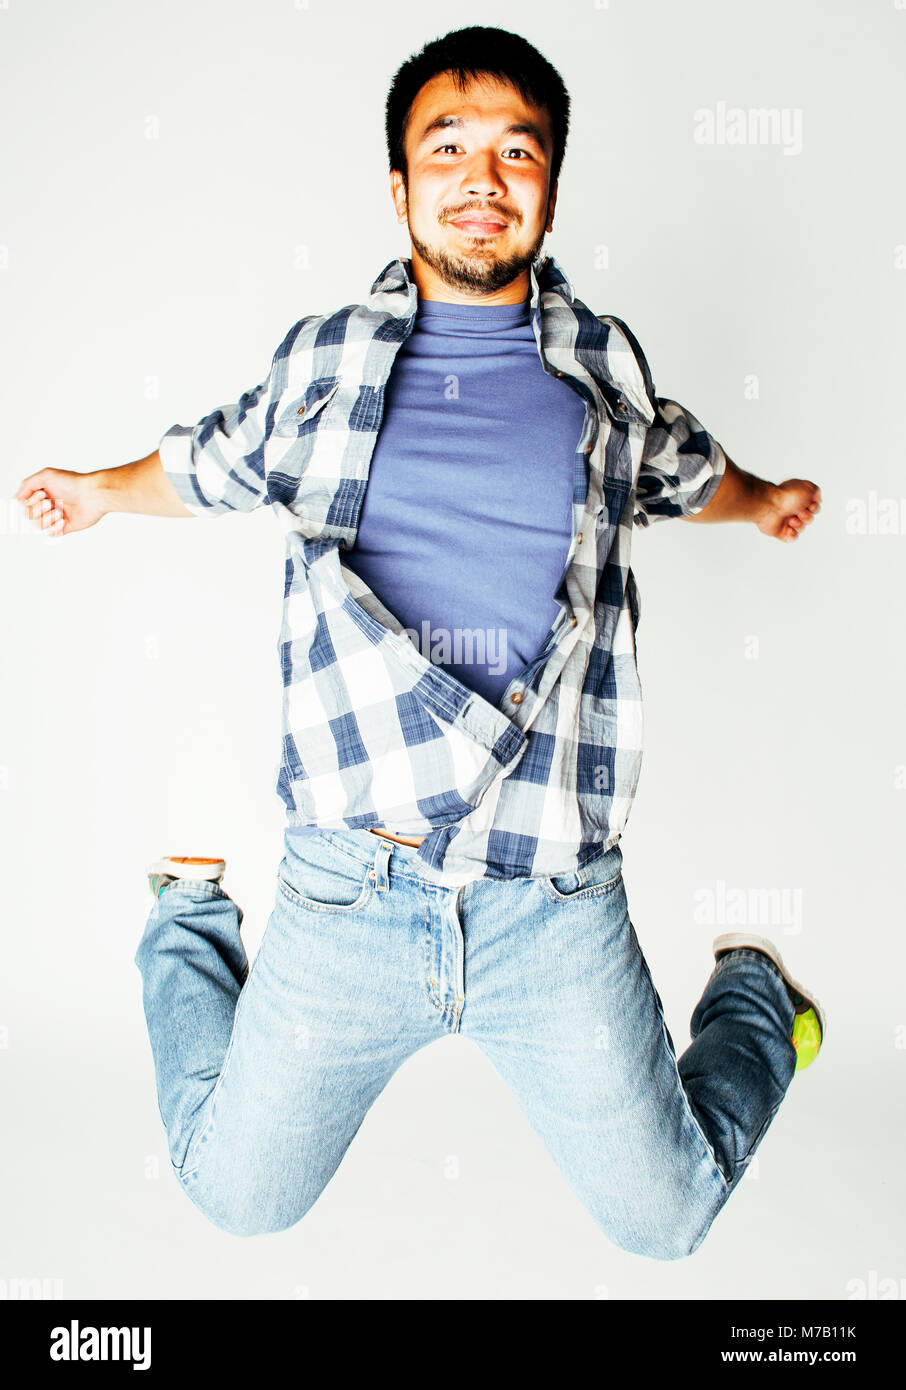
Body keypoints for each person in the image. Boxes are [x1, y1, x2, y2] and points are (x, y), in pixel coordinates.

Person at [15, 26, 824, 1259]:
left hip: (551, 898)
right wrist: (102, 488)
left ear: (550, 187)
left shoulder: (602, 364)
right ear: (400, 188)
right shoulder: (326, 358)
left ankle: (760, 994)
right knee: (237, 1197)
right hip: (353, 888)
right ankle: (186, 917)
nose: (482, 178)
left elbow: (680, 464)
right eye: (447, 149)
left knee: (666, 1221)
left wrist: (762, 499)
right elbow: (216, 459)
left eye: (517, 150)